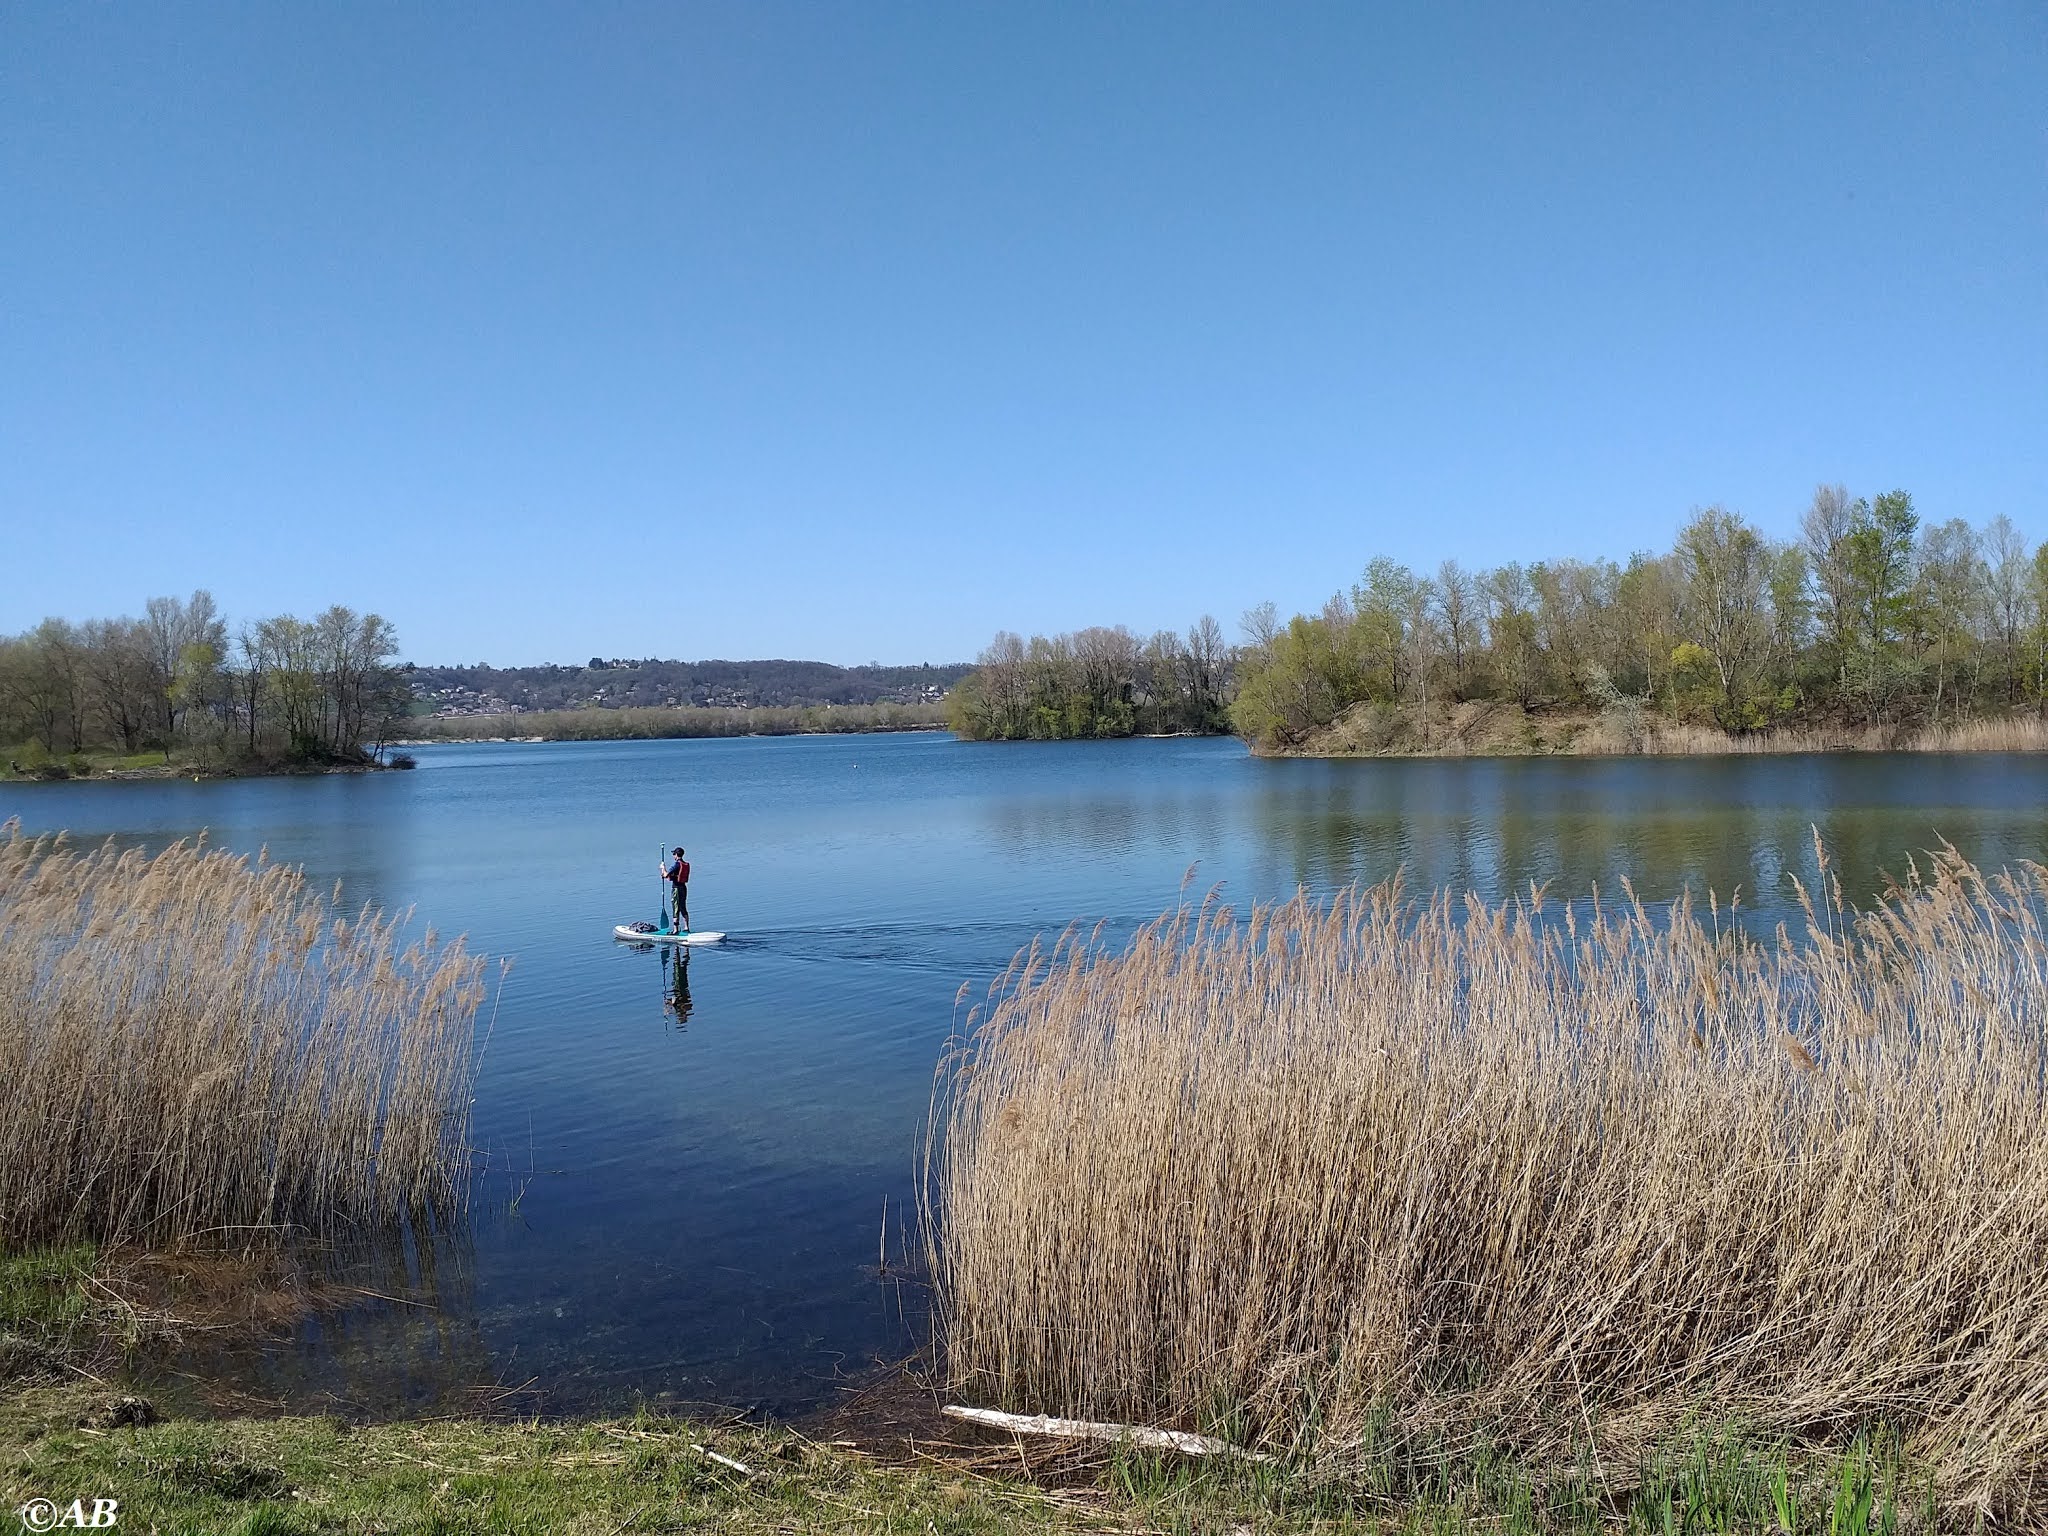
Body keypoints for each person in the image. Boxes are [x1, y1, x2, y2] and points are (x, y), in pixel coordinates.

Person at [660, 846, 691, 933]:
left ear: (677, 855)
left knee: (675, 908)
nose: (673, 856)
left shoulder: (677, 864)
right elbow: (672, 876)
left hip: (676, 889)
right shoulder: (684, 864)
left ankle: (675, 930)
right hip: (683, 888)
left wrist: (663, 867)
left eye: (674, 854)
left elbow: (666, 875)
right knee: (683, 907)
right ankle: (686, 928)